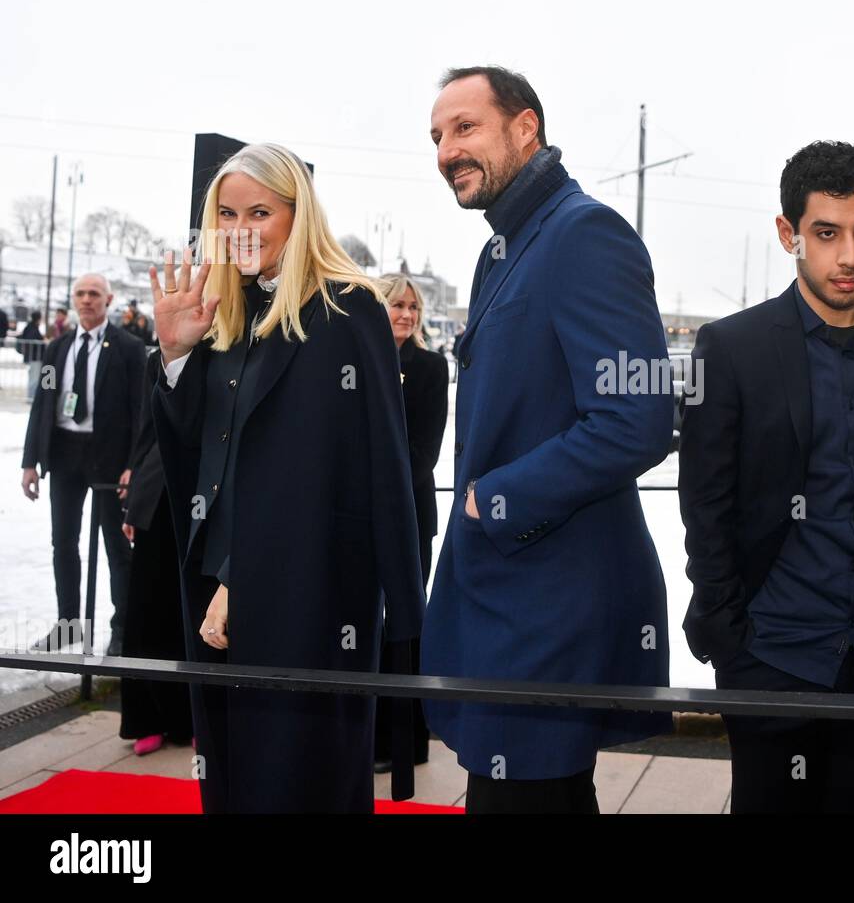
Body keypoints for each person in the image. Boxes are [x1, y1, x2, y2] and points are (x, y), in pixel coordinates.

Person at [678, 141, 854, 813]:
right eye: (826, 234)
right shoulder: (733, 348)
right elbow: (705, 505)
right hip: (773, 656)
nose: (850, 257)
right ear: (788, 234)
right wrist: (730, 638)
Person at [422, 65, 673, 813]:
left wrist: (490, 501)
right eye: (437, 137)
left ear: (525, 128)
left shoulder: (584, 232)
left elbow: (640, 417)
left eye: (465, 127)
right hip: (508, 599)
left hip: (545, 610)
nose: (446, 150)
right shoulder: (505, 245)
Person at [149, 142, 425, 813]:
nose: (240, 227)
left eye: (260, 211)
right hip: (212, 587)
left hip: (313, 597)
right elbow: (195, 452)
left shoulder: (349, 308)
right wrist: (175, 355)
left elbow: (371, 473)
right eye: (226, 213)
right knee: (232, 777)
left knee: (296, 782)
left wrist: (406, 627)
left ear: (299, 215)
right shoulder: (225, 310)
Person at [20, 275, 144, 655]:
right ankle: (69, 624)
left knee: (116, 547)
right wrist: (30, 462)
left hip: (109, 458)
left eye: (94, 294)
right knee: (64, 543)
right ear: (73, 300)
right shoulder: (56, 349)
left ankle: (122, 631)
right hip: (64, 455)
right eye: (80, 294)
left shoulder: (129, 348)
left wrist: (133, 465)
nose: (87, 300)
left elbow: (141, 409)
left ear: (108, 299)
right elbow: (43, 404)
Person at [372, 271, 448, 772]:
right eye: (397, 306)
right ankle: (363, 733)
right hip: (356, 517)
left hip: (408, 513)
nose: (405, 315)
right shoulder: (358, 361)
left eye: (412, 308)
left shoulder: (429, 367)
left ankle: (405, 742)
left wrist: (379, 490)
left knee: (403, 626)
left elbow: (426, 452)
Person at [118, 348, 193, 755]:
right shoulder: (156, 359)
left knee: (197, 614)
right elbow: (147, 433)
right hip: (158, 496)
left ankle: (198, 719)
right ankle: (147, 719)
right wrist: (136, 502)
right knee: (147, 611)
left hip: (209, 498)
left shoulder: (238, 348)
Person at [17, 311, 44, 402]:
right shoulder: (32, 328)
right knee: (34, 378)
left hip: (34, 356)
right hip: (34, 357)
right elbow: (32, 341)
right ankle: (31, 397)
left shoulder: (31, 327)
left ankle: (32, 397)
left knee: (34, 377)